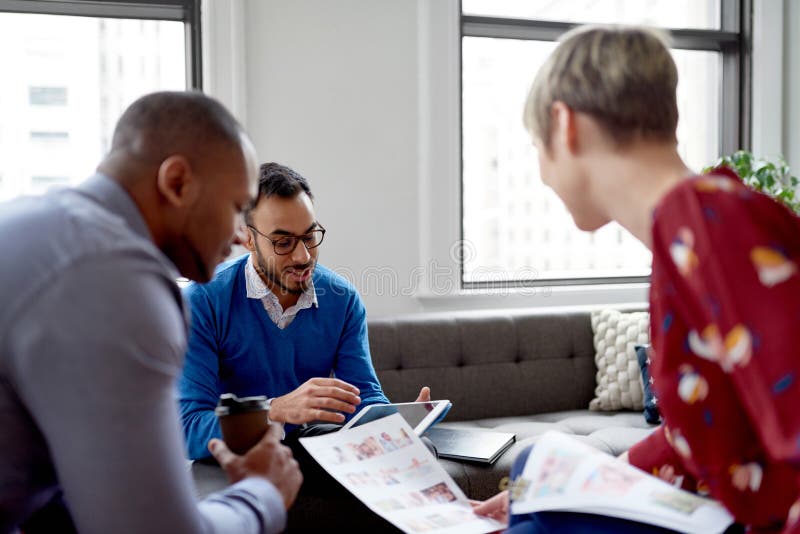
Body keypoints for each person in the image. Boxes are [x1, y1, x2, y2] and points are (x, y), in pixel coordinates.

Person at [475, 24, 800, 533]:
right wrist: (562, 491)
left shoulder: (708, 223)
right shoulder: (692, 229)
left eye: (538, 145)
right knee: (531, 472)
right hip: (732, 504)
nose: (540, 170)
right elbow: (707, 429)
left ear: (565, 126)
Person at [0, 91, 302, 534]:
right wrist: (262, 494)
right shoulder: (115, 278)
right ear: (177, 182)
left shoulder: (36, 225)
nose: (241, 237)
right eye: (238, 209)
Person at [177, 162, 431, 458]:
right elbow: (189, 428)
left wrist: (397, 426)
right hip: (234, 455)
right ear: (247, 237)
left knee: (419, 449)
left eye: (309, 236)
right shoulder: (203, 301)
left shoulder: (343, 300)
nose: (303, 256)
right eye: (283, 242)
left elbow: (362, 400)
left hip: (302, 448)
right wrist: (276, 410)